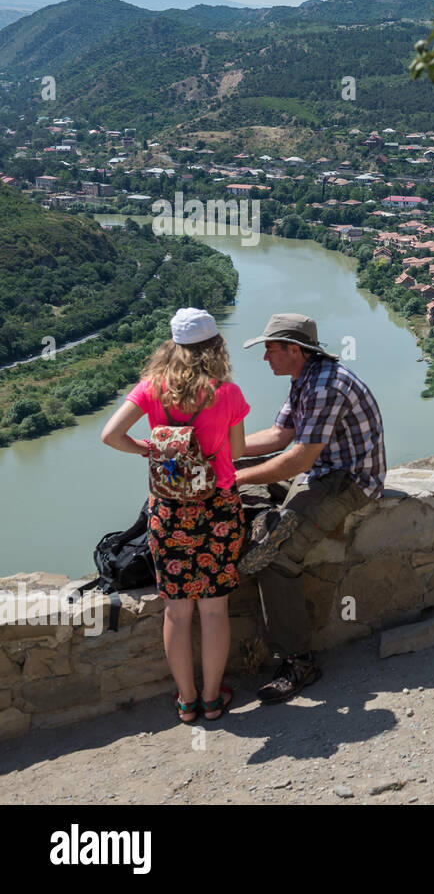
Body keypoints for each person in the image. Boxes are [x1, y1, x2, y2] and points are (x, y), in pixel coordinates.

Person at [100, 308, 250, 722]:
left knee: (177, 610)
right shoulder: (228, 393)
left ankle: (186, 702)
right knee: (215, 608)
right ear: (216, 346)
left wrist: (150, 449)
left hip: (168, 511)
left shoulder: (151, 388)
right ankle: (213, 698)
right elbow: (235, 454)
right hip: (218, 509)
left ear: (172, 347)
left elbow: (110, 435)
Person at [235, 314, 385, 704]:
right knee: (234, 472)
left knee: (278, 558)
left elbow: (298, 459)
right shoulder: (305, 379)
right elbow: (279, 434)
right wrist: (225, 451)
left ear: (294, 350)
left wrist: (235, 479)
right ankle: (270, 518)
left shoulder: (324, 386)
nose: (265, 357)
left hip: (348, 482)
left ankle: (298, 661)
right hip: (321, 472)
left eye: (271, 349)